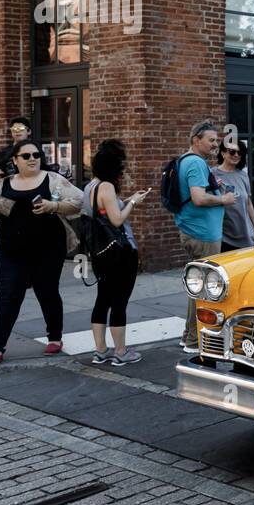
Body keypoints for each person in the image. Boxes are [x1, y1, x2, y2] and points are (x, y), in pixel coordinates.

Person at [0, 139, 83, 365]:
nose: (33, 159)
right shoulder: (5, 184)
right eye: (26, 156)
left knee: (47, 292)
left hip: (47, 249)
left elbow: (78, 201)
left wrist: (53, 206)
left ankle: (54, 337)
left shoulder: (51, 180)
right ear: (15, 160)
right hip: (10, 251)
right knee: (9, 297)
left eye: (36, 155)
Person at [84, 140, 151, 366]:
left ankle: (100, 350)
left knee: (102, 299)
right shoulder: (107, 187)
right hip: (120, 253)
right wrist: (133, 201)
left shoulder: (90, 188)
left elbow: (100, 212)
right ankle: (121, 352)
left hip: (100, 252)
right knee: (119, 301)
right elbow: (116, 219)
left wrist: (124, 201)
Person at [175, 121, 236, 350]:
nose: (215, 144)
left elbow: (196, 193)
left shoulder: (186, 161)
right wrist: (224, 199)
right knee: (203, 288)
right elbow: (199, 199)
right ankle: (193, 339)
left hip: (195, 231)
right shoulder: (196, 164)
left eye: (215, 140)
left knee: (198, 285)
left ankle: (188, 335)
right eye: (210, 140)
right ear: (196, 140)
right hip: (202, 235)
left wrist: (213, 186)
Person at [217, 140, 254, 252]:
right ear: (223, 153)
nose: (236, 155)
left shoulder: (243, 175)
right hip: (225, 236)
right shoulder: (213, 175)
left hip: (246, 233)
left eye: (239, 152)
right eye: (232, 152)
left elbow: (248, 203)